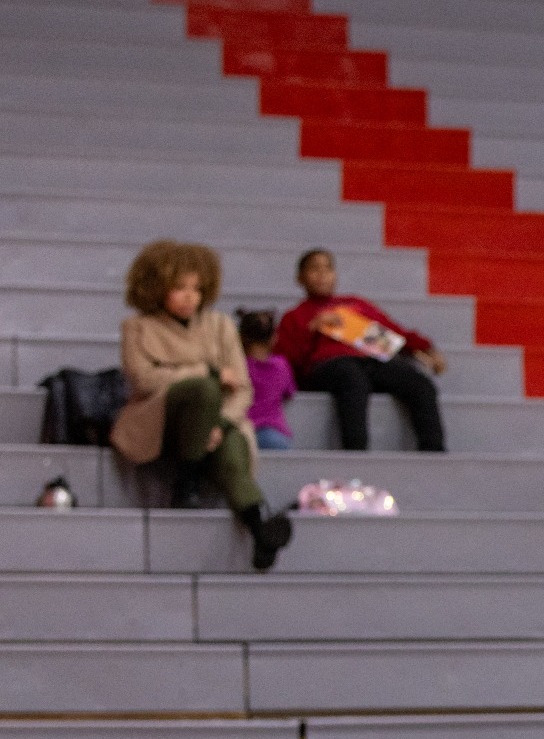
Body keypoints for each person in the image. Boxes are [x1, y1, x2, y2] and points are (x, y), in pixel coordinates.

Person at [113, 240, 290, 570]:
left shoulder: (221, 325)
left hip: (216, 426)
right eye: (179, 288)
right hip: (161, 421)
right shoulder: (137, 328)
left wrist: (220, 425)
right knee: (204, 389)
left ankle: (259, 527)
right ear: (156, 287)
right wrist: (207, 371)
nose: (190, 296)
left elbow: (242, 389)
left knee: (234, 447)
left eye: (196, 288)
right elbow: (144, 380)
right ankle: (188, 480)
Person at [275, 248, 447, 453]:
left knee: (419, 383)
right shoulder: (295, 316)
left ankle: (433, 452)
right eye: (314, 269)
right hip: (330, 367)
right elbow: (290, 361)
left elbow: (394, 334)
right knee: (352, 379)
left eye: (328, 268)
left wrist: (426, 348)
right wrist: (312, 328)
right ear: (300, 278)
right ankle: (356, 453)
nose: (322, 274)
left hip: (370, 360)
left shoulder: (356, 305)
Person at [235, 308, 295, 452]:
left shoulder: (238, 366)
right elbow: (289, 392)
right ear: (274, 337)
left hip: (242, 430)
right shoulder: (281, 365)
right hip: (275, 433)